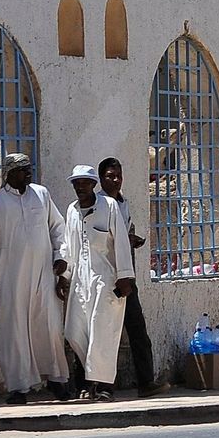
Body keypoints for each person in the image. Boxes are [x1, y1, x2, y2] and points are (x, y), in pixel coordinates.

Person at [0, 152, 73, 404]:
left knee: (49, 327)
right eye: (23, 170)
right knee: (14, 330)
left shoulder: (41, 194)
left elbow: (57, 228)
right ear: (9, 173)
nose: (29, 174)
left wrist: (60, 255)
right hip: (11, 277)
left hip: (43, 274)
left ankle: (57, 381)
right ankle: (19, 388)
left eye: (29, 169)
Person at [96, 157, 168, 396]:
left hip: (126, 277)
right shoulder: (97, 206)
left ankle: (146, 382)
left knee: (138, 331)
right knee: (104, 334)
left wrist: (131, 239)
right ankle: (101, 386)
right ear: (101, 179)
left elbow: (124, 231)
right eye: (110, 176)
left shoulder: (122, 202)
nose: (115, 180)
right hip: (105, 278)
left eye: (118, 176)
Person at [62, 164, 133, 401]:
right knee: (75, 331)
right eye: (76, 183)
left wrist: (125, 276)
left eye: (84, 183)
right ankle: (90, 379)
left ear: (93, 184)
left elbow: (121, 242)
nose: (80, 187)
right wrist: (64, 276)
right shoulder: (71, 210)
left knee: (102, 333)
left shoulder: (109, 207)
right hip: (80, 281)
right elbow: (68, 247)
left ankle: (104, 386)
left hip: (106, 279)